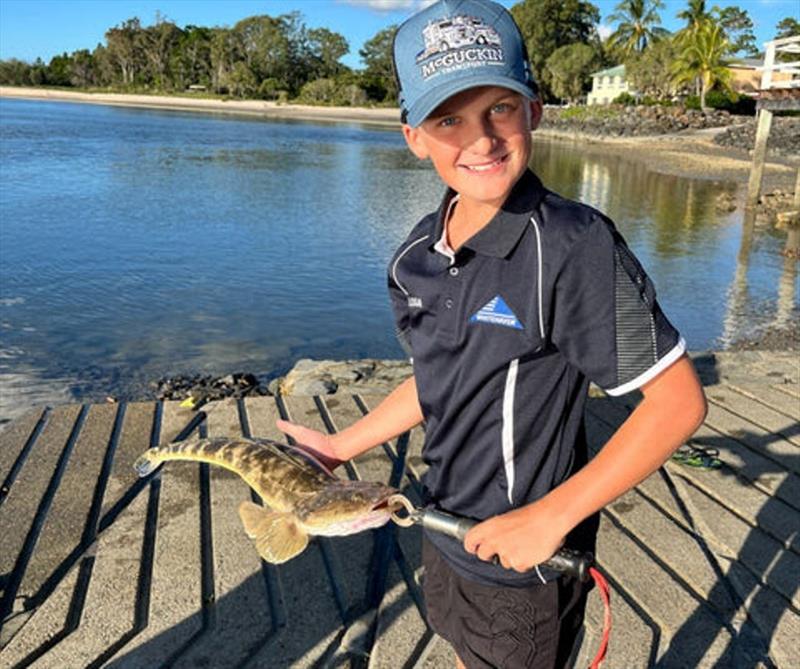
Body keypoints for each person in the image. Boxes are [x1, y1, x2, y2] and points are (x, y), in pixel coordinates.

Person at [277, 0, 708, 667]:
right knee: (459, 650)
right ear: (413, 135)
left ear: (533, 109)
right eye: (449, 118)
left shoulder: (571, 245)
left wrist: (550, 517)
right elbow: (442, 376)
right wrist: (340, 445)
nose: (480, 140)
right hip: (442, 528)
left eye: (499, 108)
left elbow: (679, 402)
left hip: (524, 564)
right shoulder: (416, 255)